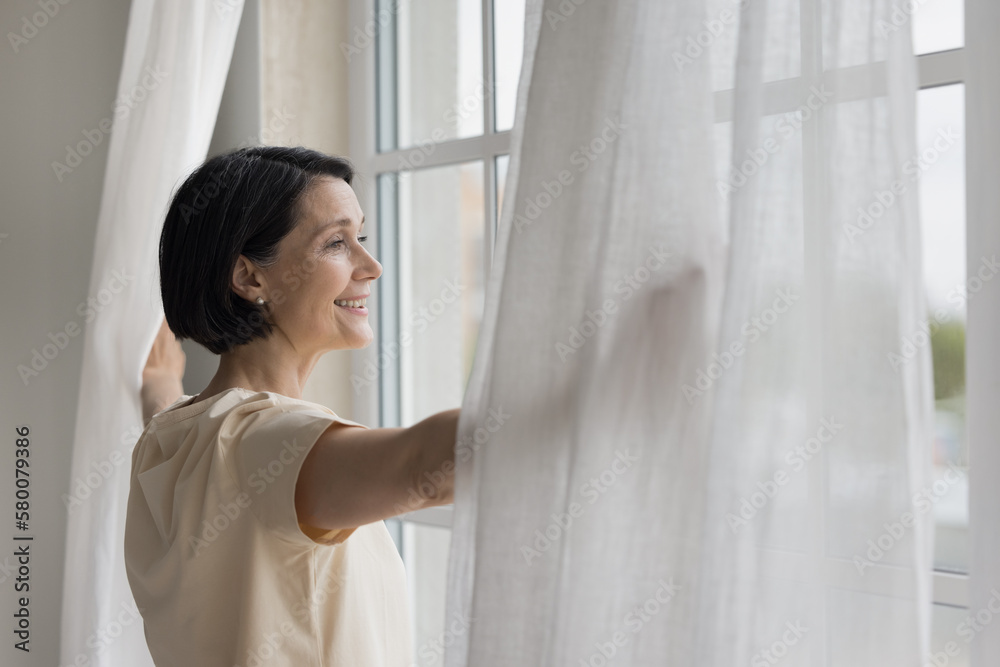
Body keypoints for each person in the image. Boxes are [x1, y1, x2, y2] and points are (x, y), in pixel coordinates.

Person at [125, 146, 460, 667]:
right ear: (250, 278)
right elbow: (427, 467)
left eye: (361, 238)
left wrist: (161, 381)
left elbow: (164, 406)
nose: (370, 266)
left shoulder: (173, 436)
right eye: (336, 243)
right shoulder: (267, 443)